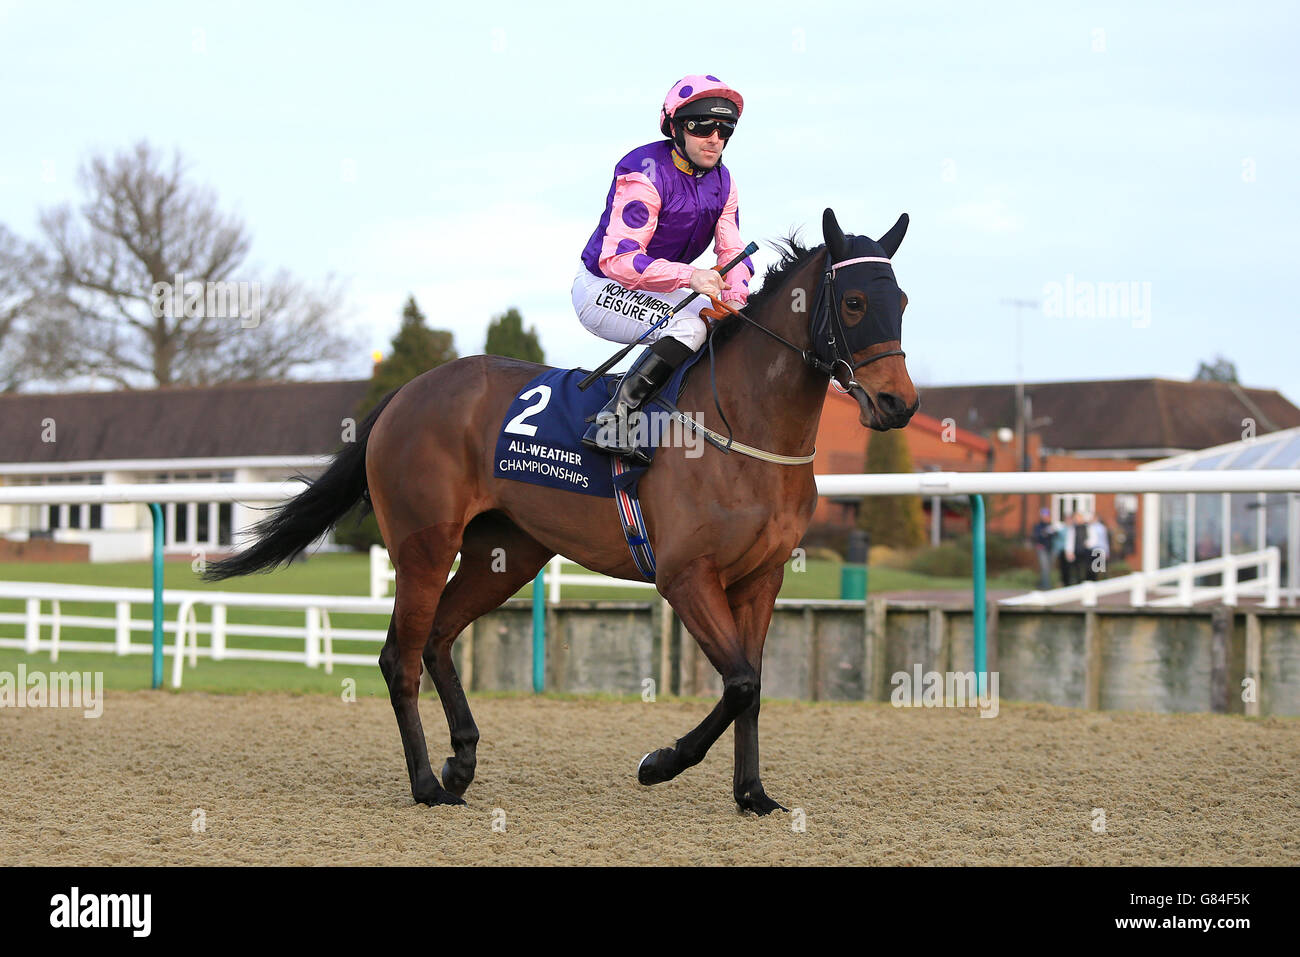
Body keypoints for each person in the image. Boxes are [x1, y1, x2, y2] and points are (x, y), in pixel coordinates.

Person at [573, 74, 753, 461]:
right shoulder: (644, 172)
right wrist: (690, 276)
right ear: (675, 127)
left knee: (730, 325)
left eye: (725, 129)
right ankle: (613, 421)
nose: (715, 138)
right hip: (602, 286)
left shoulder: (724, 182)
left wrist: (737, 300)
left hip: (655, 286)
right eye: (702, 126)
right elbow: (618, 260)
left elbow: (732, 250)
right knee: (689, 326)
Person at [1031, 507, 1054, 590]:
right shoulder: (1038, 526)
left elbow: (1053, 536)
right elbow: (1036, 536)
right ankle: (1046, 586)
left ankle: (1043, 584)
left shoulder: (1051, 525)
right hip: (1041, 548)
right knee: (1044, 567)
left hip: (1049, 548)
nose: (1046, 517)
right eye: (1044, 515)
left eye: (1047, 515)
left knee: (1048, 568)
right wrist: (1044, 533)